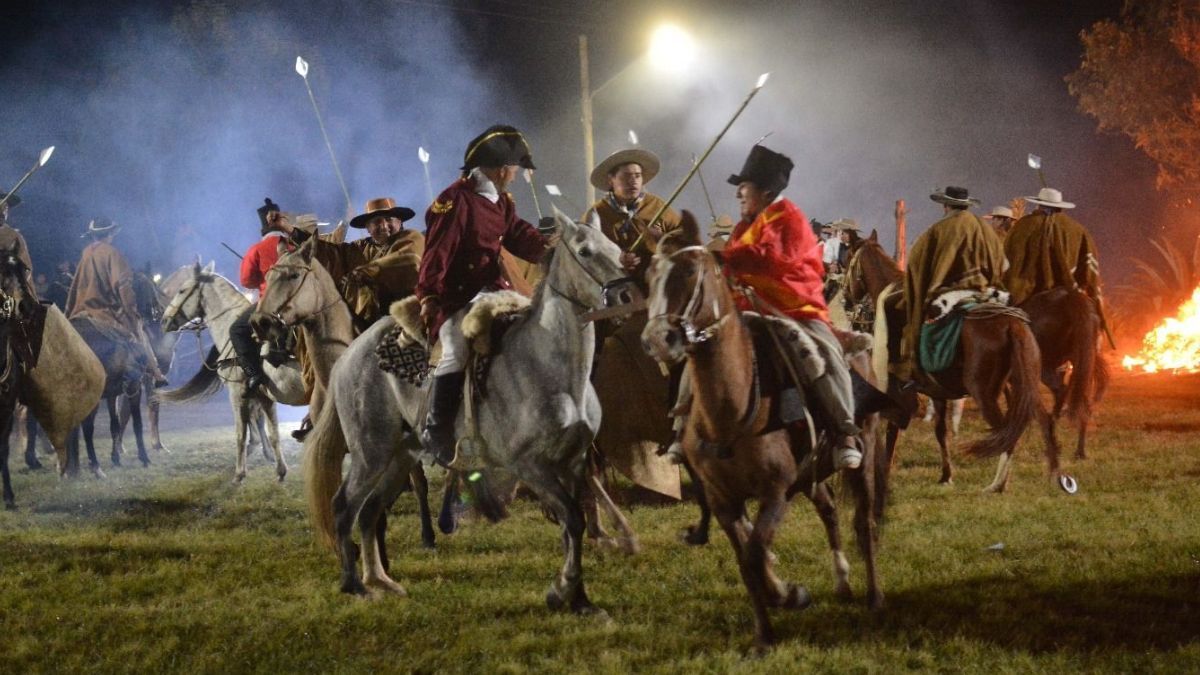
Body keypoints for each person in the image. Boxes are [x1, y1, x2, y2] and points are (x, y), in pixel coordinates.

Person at [668, 144, 864, 470]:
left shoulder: (791, 219)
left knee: (824, 353)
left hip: (793, 309)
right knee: (699, 350)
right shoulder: (745, 224)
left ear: (766, 190)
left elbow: (776, 259)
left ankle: (845, 432)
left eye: (743, 188)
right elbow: (732, 265)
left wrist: (728, 257)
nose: (738, 194)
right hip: (745, 309)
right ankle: (680, 428)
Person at [416, 125, 551, 468]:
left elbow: (517, 234)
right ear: (502, 169)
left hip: (492, 291)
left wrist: (551, 249)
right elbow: (438, 252)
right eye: (516, 169)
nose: (518, 175)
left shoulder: (501, 200)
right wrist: (430, 295)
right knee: (455, 351)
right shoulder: (455, 200)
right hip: (456, 297)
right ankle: (437, 430)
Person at [895, 186, 1006, 383]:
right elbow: (1003, 263)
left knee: (923, 320)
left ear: (945, 205)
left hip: (951, 294)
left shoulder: (939, 229)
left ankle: (919, 369)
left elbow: (916, 263)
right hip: (985, 290)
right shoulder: (985, 228)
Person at [66, 218, 169, 386]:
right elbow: (123, 286)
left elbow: (76, 285)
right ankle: (156, 374)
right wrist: (131, 311)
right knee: (139, 333)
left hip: (80, 310)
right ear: (110, 234)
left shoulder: (86, 252)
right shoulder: (112, 253)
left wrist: (68, 312)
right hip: (105, 312)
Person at [313, 197, 425, 326]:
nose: (383, 226)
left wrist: (366, 272)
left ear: (399, 222)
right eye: (377, 222)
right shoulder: (359, 248)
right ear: (367, 228)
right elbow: (330, 252)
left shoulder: (412, 237)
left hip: (414, 312)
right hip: (373, 320)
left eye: (389, 219)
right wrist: (291, 231)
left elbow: (407, 259)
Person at [583, 148, 681, 290]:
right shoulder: (596, 213)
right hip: (616, 288)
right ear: (611, 180)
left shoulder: (656, 205)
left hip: (661, 282)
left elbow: (682, 234)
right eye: (626, 176)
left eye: (637, 175)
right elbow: (586, 255)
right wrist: (616, 259)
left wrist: (663, 239)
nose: (633, 181)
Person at [1003, 187, 1104, 312]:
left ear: (1039, 205)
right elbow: (1088, 269)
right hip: (1069, 289)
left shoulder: (1024, 225)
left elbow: (1010, 258)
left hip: (1029, 293)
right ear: (1060, 207)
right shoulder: (1078, 230)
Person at [231, 198, 294, 392]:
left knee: (237, 330)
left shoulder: (256, 249)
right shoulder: (294, 244)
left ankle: (254, 375)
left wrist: (260, 278)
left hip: (269, 303)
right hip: (297, 301)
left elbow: (246, 281)